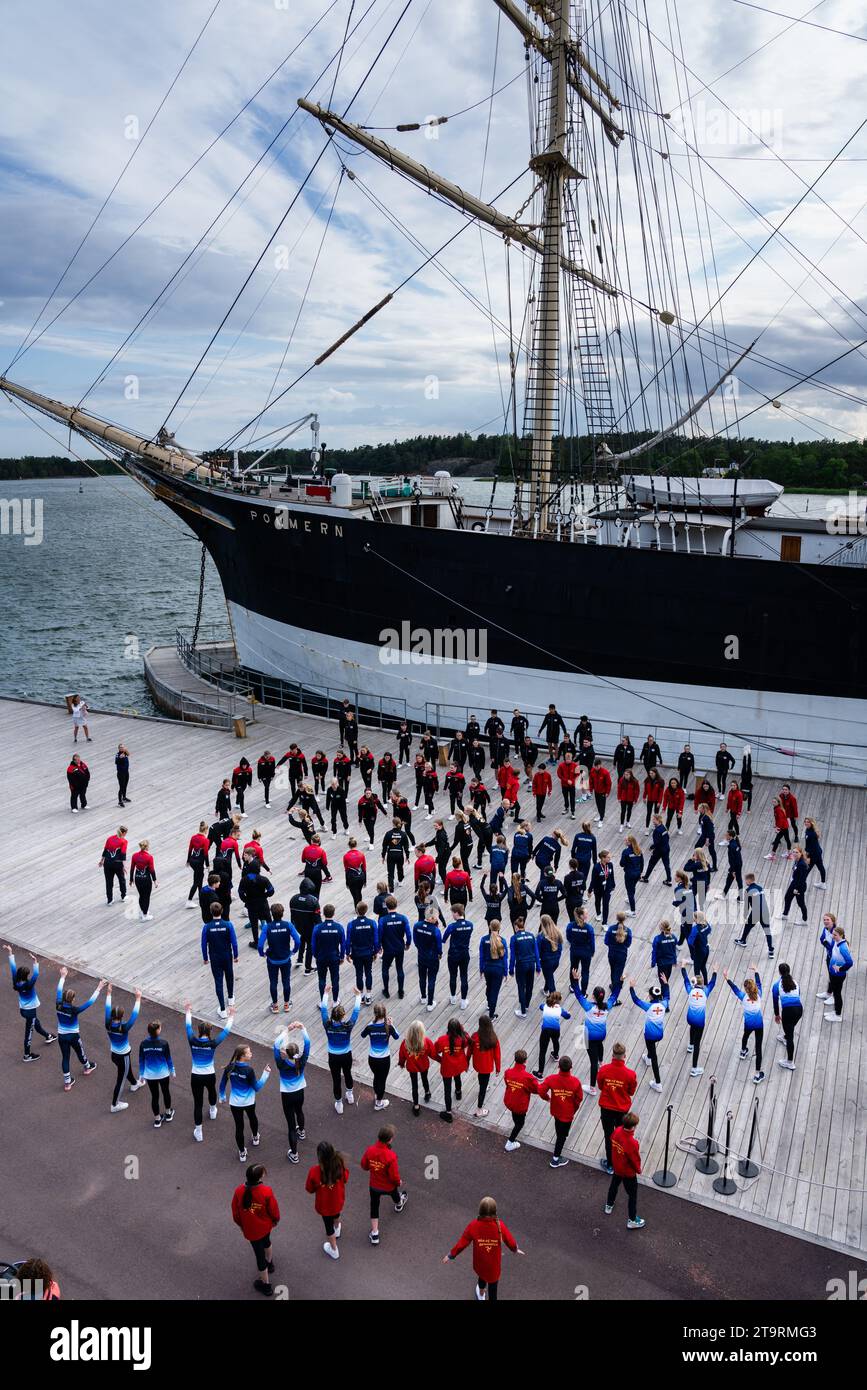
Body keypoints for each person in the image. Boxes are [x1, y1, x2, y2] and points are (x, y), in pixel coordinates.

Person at [443, 1196, 523, 1301]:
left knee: (482, 1276)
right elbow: (510, 1241)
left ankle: (481, 1293)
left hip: (480, 1263)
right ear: (495, 1211)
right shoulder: (500, 1226)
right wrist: (515, 1249)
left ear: (480, 1210)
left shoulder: (473, 1226)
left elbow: (462, 1243)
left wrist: (451, 1255)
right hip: (493, 1267)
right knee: (493, 1291)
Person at [186, 1002, 233, 1142]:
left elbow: (188, 1026)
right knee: (212, 1091)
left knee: (198, 1103)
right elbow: (226, 1031)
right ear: (209, 1032)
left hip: (196, 1076)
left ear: (199, 1031)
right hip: (209, 1075)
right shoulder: (213, 1043)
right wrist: (231, 1016)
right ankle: (213, 1110)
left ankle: (199, 1132)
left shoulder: (192, 1040)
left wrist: (188, 1011)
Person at [231, 1163, 280, 1296]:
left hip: (251, 1230)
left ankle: (266, 1285)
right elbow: (274, 1210)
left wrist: (241, 1225)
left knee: (259, 1256)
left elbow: (235, 1213)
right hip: (265, 1226)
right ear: (259, 1178)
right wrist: (275, 1220)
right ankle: (269, 1263)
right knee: (267, 1242)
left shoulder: (238, 1191)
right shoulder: (266, 1191)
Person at [3, 945, 56, 1062]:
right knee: (29, 1033)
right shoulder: (28, 984)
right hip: (30, 1011)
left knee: (36, 1023)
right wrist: (35, 961)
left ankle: (48, 1036)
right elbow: (36, 975)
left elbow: (13, 967)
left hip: (23, 1010)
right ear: (26, 976)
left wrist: (10, 952)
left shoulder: (16, 982)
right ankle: (27, 1055)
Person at [55, 968, 103, 1090]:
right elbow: (90, 1002)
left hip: (61, 1036)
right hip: (73, 1036)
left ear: (64, 998)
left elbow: (58, 990)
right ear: (73, 999)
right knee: (80, 1052)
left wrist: (63, 976)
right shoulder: (75, 1010)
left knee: (65, 1057)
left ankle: (67, 1082)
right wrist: (99, 988)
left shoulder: (58, 1004)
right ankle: (87, 1067)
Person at [220, 1045, 270, 1159]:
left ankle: (242, 1152)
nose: (251, 1053)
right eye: (249, 1052)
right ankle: (255, 1138)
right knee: (252, 1117)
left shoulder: (230, 1067)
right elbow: (257, 1087)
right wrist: (265, 1074)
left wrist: (222, 1096)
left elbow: (223, 1083)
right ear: (242, 1056)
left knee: (239, 1126)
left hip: (235, 1103)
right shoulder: (249, 1070)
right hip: (249, 1102)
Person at [360, 1124, 407, 1245]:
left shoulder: (370, 1150)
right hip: (388, 1186)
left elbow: (364, 1166)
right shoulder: (391, 1156)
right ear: (389, 1139)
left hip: (374, 1185)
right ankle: (399, 1204)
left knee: (374, 1206)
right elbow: (394, 1176)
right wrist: (399, 1182)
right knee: (395, 1195)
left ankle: (375, 1233)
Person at [597, 1042, 638, 1173]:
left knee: (609, 1136)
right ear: (624, 1056)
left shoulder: (603, 1070)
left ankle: (610, 1165)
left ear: (612, 1055)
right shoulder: (630, 1074)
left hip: (607, 1109)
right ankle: (621, 1162)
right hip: (622, 1111)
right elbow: (631, 1092)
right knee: (622, 1137)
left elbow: (600, 1086)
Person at [572, 981, 620, 1093]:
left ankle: (592, 1087)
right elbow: (614, 995)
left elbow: (578, 995)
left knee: (592, 1062)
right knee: (600, 1045)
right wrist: (620, 982)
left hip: (590, 1036)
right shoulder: (607, 1006)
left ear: (593, 996)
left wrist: (575, 981)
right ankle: (601, 1061)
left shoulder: (588, 1007)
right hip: (601, 1034)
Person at [320, 987, 361, 1113]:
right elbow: (356, 1012)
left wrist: (326, 994)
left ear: (332, 1015)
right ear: (343, 1016)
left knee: (336, 1079)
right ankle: (349, 1095)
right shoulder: (348, 1026)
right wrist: (358, 996)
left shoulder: (327, 1025)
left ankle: (338, 1104)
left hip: (333, 1057)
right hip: (346, 1055)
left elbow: (323, 1010)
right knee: (347, 1073)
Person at [273, 1022, 310, 1161]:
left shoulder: (281, 1063)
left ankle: (294, 1154)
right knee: (299, 1111)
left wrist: (287, 1030)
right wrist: (303, 1028)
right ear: (297, 1052)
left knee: (290, 1125)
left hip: (287, 1095)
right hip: (299, 1092)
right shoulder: (302, 1061)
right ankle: (302, 1131)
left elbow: (276, 1044)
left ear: (286, 1053)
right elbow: (308, 1043)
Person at [306, 1142, 349, 1261]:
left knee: (328, 1227)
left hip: (324, 1205)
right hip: (338, 1200)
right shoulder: (339, 1164)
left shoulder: (314, 1171)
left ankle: (334, 1249)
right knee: (336, 1214)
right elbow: (345, 1178)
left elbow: (309, 1189)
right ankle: (337, 1228)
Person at [538, 1056, 583, 1168]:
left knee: (559, 1128)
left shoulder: (551, 1079)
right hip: (568, 1114)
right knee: (562, 1136)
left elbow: (541, 1090)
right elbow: (579, 1099)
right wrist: (574, 1109)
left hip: (556, 1111)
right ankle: (555, 1159)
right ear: (571, 1067)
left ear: (558, 1066)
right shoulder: (576, 1082)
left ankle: (560, 1136)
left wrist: (548, 1098)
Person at [104, 985, 143, 1112]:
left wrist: (109, 994)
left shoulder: (107, 1024)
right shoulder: (124, 1027)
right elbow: (134, 1015)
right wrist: (138, 998)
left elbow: (107, 1009)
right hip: (123, 1055)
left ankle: (134, 1084)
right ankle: (114, 1105)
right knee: (120, 1079)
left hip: (114, 1055)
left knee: (126, 1070)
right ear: (121, 1016)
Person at [604, 1112, 645, 1229]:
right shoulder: (632, 1142)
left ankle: (609, 1205)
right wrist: (638, 1170)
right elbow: (635, 1160)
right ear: (634, 1126)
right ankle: (632, 1220)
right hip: (628, 1173)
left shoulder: (617, 1131)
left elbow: (612, 1141)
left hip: (617, 1167)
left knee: (614, 1185)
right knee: (632, 1196)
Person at [724, 968, 765, 1084]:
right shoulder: (759, 994)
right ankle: (757, 1074)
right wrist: (756, 971)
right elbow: (759, 983)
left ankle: (743, 1051)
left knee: (745, 1036)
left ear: (746, 989)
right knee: (758, 1047)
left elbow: (734, 988)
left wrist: (727, 978)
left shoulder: (743, 997)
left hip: (748, 1024)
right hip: (759, 1024)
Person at [258, 903, 301, 1013]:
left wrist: (262, 953)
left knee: (273, 982)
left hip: (272, 959)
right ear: (282, 913)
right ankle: (286, 1004)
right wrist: (294, 951)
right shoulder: (288, 925)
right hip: (285, 958)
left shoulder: (267, 927)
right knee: (286, 981)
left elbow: (260, 944)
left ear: (272, 914)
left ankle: (275, 1005)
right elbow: (298, 941)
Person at [201, 902, 238, 1019]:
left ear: (211, 912)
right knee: (229, 975)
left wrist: (205, 958)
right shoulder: (228, 925)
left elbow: (203, 944)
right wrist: (236, 955)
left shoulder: (207, 927)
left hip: (215, 957)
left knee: (218, 981)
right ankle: (231, 998)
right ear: (222, 911)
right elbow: (234, 942)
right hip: (227, 955)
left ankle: (222, 1009)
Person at [680, 961, 717, 1077]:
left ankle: (690, 1045)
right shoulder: (705, 992)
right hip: (700, 1021)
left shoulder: (690, 991)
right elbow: (712, 983)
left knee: (692, 1028)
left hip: (690, 1018)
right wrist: (715, 971)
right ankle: (694, 1068)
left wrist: (683, 967)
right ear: (702, 984)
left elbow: (685, 979)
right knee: (698, 1043)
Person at [361, 1002, 399, 1110]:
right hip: (384, 1060)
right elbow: (397, 1036)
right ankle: (378, 1103)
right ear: (385, 1013)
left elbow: (362, 1035)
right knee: (382, 1080)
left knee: (376, 1077)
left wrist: (370, 1025)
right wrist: (392, 1024)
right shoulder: (388, 1027)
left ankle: (377, 1095)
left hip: (372, 1059)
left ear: (375, 1013)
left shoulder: (370, 1027)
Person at [628, 980, 666, 1089]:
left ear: (650, 996)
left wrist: (631, 988)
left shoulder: (648, 1006)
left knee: (654, 1056)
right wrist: (666, 984)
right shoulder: (664, 1004)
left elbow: (636, 1000)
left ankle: (658, 1083)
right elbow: (667, 995)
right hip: (659, 1033)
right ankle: (648, 1058)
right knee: (651, 1049)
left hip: (649, 1035)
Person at [138, 1018, 176, 1128]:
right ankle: (168, 1114)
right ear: (158, 1031)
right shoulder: (164, 1043)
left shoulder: (143, 1044)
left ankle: (157, 1120)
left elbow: (141, 1059)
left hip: (150, 1075)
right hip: (163, 1074)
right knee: (166, 1092)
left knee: (154, 1096)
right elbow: (168, 1058)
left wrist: (141, 1074)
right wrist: (172, 1070)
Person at [503, 1048, 539, 1151]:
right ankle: (510, 1143)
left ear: (515, 1059)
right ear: (525, 1061)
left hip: (510, 1101)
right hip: (520, 1105)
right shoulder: (529, 1078)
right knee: (520, 1124)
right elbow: (536, 1090)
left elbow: (507, 1083)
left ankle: (515, 1127)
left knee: (516, 1119)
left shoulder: (508, 1072)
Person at [819, 916, 853, 1022]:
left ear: (841, 936)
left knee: (837, 995)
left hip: (838, 975)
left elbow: (850, 962)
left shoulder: (842, 947)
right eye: (833, 934)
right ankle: (835, 1011)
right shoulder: (838, 943)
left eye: (835, 935)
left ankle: (838, 1015)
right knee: (836, 992)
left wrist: (841, 969)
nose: (833, 936)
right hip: (834, 973)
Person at [398, 1018, 436, 1114]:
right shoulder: (426, 1041)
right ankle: (427, 1093)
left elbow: (402, 1055)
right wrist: (441, 1060)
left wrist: (401, 1063)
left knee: (414, 1086)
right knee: (425, 1079)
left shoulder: (405, 1043)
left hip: (412, 1067)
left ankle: (416, 1106)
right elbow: (433, 1054)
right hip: (423, 1066)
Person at [346, 902, 379, 1005]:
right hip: (368, 953)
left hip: (357, 953)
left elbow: (348, 941)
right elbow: (376, 940)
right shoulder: (372, 923)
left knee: (359, 974)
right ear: (366, 910)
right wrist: (375, 952)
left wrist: (347, 953)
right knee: (369, 973)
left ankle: (360, 997)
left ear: (357, 910)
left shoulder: (351, 924)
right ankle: (368, 997)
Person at [379, 896, 412, 999]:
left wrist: (379, 946)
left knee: (385, 969)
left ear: (386, 906)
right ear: (396, 904)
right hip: (399, 948)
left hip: (388, 949)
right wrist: (408, 943)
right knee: (399, 969)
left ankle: (386, 991)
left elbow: (379, 934)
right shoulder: (403, 918)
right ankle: (401, 991)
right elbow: (408, 933)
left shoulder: (383, 920)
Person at [311, 904, 346, 1000]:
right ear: (334, 914)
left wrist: (315, 955)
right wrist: (342, 956)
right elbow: (343, 944)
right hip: (334, 957)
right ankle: (335, 1000)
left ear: (323, 914)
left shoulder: (317, 928)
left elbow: (313, 945)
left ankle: (323, 1001)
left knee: (321, 979)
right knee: (335, 979)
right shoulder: (339, 927)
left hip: (321, 957)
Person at [534, 990, 571, 1078]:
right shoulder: (560, 1009)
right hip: (556, 1030)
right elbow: (567, 1017)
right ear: (559, 1000)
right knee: (555, 1042)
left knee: (542, 1052)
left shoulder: (545, 1007)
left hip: (545, 1030)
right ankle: (555, 1055)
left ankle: (540, 1073)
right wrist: (569, 1013)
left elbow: (540, 1006)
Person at [508, 916, 541, 1018]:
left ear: (516, 927)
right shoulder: (531, 936)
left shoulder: (514, 938)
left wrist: (511, 969)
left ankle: (522, 1011)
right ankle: (526, 1005)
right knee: (530, 986)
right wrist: (538, 967)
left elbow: (512, 955)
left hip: (521, 965)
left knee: (521, 987)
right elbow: (536, 952)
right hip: (531, 964)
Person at [443, 903, 474, 1008]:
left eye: (452, 913)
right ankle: (464, 1001)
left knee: (453, 976)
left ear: (456, 913)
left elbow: (444, 939)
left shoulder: (452, 926)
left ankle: (453, 998)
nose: (452, 915)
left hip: (453, 955)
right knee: (464, 976)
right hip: (464, 954)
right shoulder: (470, 925)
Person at [772, 963, 802, 1070]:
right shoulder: (795, 982)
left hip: (788, 1012)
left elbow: (775, 1002)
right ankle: (786, 1036)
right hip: (799, 1010)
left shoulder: (776, 985)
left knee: (790, 1037)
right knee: (790, 1028)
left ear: (779, 972)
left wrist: (777, 1015)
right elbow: (798, 995)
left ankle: (790, 1062)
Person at [470, 1014, 501, 1117]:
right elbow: (497, 1055)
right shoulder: (493, 1038)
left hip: (477, 1064)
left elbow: (469, 1051)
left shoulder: (474, 1036)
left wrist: (466, 1063)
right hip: (487, 1067)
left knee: (481, 1077)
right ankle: (479, 1110)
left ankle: (483, 1085)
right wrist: (498, 1068)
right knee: (482, 1090)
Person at [736, 874, 774, 958]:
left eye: (746, 880)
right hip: (765, 911)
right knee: (767, 931)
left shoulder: (748, 890)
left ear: (749, 880)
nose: (745, 882)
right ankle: (771, 950)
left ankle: (743, 940)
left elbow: (747, 905)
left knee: (747, 926)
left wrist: (745, 915)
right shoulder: (760, 888)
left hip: (756, 912)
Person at [289, 877, 321, 976]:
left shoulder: (293, 899)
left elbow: (292, 915)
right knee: (311, 945)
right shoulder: (313, 901)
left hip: (298, 926)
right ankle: (308, 968)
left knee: (303, 937)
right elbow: (317, 919)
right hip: (310, 926)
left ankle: (299, 959)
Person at [479, 920, 508, 1019]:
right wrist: (506, 971)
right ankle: (491, 1015)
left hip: (487, 968)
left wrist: (481, 969)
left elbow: (481, 956)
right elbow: (505, 958)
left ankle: (489, 1002)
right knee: (494, 991)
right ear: (499, 928)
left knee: (489, 986)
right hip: (498, 968)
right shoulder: (502, 941)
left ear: (489, 927)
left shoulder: (483, 940)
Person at [566, 907, 595, 996]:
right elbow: (592, 942)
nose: (587, 914)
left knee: (573, 969)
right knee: (585, 972)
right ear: (581, 916)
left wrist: (574, 943)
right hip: (586, 952)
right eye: (586, 913)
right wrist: (592, 952)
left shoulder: (570, 926)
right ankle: (583, 992)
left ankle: (573, 987)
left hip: (575, 951)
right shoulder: (589, 928)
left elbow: (568, 938)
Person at [99, 825, 128, 905]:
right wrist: (125, 866)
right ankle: (123, 896)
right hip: (117, 864)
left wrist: (102, 860)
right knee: (121, 880)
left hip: (107, 863)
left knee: (109, 882)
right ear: (124, 833)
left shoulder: (110, 838)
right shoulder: (123, 841)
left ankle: (109, 900)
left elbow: (105, 850)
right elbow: (123, 855)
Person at [604, 915, 632, 997]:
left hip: (612, 954)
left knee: (613, 971)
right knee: (618, 973)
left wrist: (612, 945)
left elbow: (606, 941)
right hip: (622, 955)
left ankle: (613, 985)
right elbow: (628, 944)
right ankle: (615, 994)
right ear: (624, 919)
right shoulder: (628, 931)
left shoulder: (610, 929)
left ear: (617, 918)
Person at [129, 840, 157, 921]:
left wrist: (131, 879)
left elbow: (132, 868)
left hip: (137, 878)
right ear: (147, 847)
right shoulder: (149, 857)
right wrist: (155, 881)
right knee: (146, 897)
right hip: (146, 879)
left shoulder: (134, 856)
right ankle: (145, 915)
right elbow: (152, 870)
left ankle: (142, 912)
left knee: (141, 895)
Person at [781, 847, 809, 923]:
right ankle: (785, 915)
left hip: (799, 887)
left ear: (801, 853)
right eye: (793, 852)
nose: (795, 854)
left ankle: (804, 920)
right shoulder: (797, 861)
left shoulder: (802, 864)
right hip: (793, 884)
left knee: (801, 903)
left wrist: (796, 889)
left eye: (797, 852)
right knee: (787, 898)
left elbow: (802, 879)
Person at [186, 821, 210, 907]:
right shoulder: (205, 840)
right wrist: (207, 865)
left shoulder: (193, 837)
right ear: (206, 830)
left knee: (200, 876)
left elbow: (190, 849)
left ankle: (200, 895)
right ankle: (189, 900)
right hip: (199, 862)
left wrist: (188, 860)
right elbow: (206, 854)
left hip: (192, 860)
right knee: (196, 881)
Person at [619, 836, 644, 915]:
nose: (624, 841)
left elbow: (622, 864)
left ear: (629, 842)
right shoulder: (639, 851)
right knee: (632, 887)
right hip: (637, 874)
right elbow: (642, 863)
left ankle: (632, 911)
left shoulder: (626, 852)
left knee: (629, 891)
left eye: (626, 840)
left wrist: (627, 864)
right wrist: (640, 872)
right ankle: (630, 899)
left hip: (629, 874)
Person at [687, 911, 712, 987]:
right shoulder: (706, 924)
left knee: (697, 970)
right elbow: (709, 930)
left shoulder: (695, 929)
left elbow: (690, 941)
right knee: (703, 966)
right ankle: (706, 983)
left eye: (694, 917)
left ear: (696, 919)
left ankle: (697, 986)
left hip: (699, 951)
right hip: (706, 948)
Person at [590, 850, 615, 924]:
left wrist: (613, 884)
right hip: (598, 888)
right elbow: (593, 880)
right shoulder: (596, 867)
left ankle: (605, 922)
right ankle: (598, 913)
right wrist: (589, 890)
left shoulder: (610, 865)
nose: (610, 858)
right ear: (603, 858)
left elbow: (612, 875)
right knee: (597, 901)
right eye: (608, 857)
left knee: (606, 905)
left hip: (607, 888)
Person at [804, 818, 827, 887]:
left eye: (808, 822)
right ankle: (823, 884)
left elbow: (812, 847)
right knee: (821, 867)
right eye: (805, 822)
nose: (806, 823)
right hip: (817, 852)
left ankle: (800, 884)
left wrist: (807, 855)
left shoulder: (812, 834)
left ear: (811, 823)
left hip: (814, 854)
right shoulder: (808, 830)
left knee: (807, 869)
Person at [721, 830, 744, 900]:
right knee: (735, 879)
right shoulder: (735, 842)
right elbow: (739, 848)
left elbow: (731, 859)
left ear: (730, 836)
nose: (725, 836)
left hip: (735, 866)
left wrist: (733, 870)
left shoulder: (731, 846)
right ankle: (739, 896)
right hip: (739, 863)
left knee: (735, 879)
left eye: (726, 835)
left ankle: (724, 895)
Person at [589, 759, 611, 826]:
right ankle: (600, 815)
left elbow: (609, 783)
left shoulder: (605, 772)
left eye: (597, 766)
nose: (596, 768)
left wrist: (607, 792)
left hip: (603, 792)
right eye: (595, 766)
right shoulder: (592, 771)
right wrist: (591, 789)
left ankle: (601, 819)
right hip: (596, 791)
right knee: (598, 805)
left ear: (600, 765)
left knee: (602, 806)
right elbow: (591, 781)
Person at [740, 745, 754, 811]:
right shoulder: (749, 793)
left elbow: (738, 801)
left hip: (743, 777)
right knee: (749, 765)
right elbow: (750, 801)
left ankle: (745, 755)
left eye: (744, 796)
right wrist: (748, 809)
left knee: (744, 765)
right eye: (745, 797)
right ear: (747, 797)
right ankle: (749, 753)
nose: (745, 796)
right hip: (748, 777)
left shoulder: (741, 792)